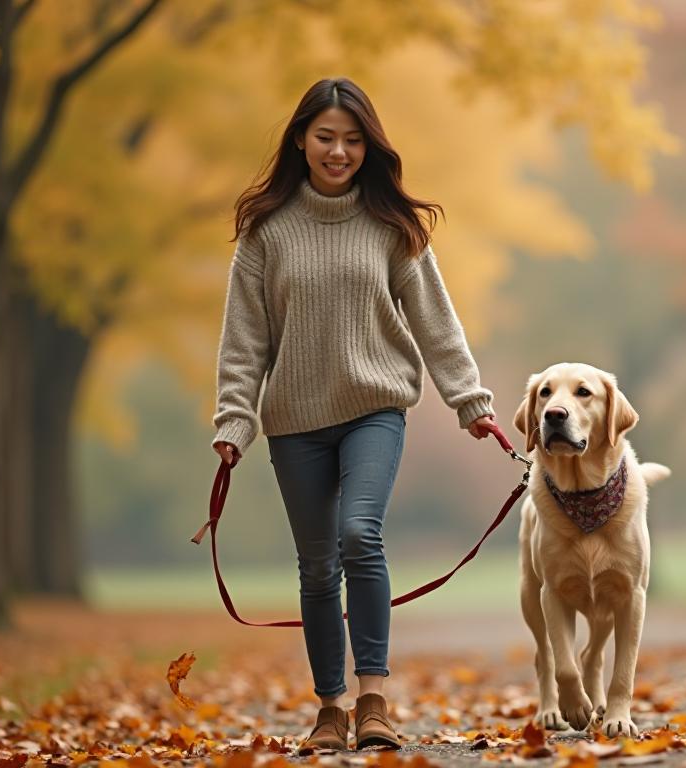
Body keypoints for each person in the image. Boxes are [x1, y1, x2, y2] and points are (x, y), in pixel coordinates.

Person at [211, 77, 499, 752]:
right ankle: (330, 710)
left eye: (352, 139)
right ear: (301, 141)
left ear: (369, 146)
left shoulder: (391, 227)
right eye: (325, 138)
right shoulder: (266, 232)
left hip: (375, 408)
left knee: (358, 536)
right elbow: (244, 338)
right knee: (315, 566)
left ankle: (374, 699)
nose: (339, 152)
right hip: (295, 421)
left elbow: (436, 323)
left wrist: (470, 401)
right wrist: (233, 421)